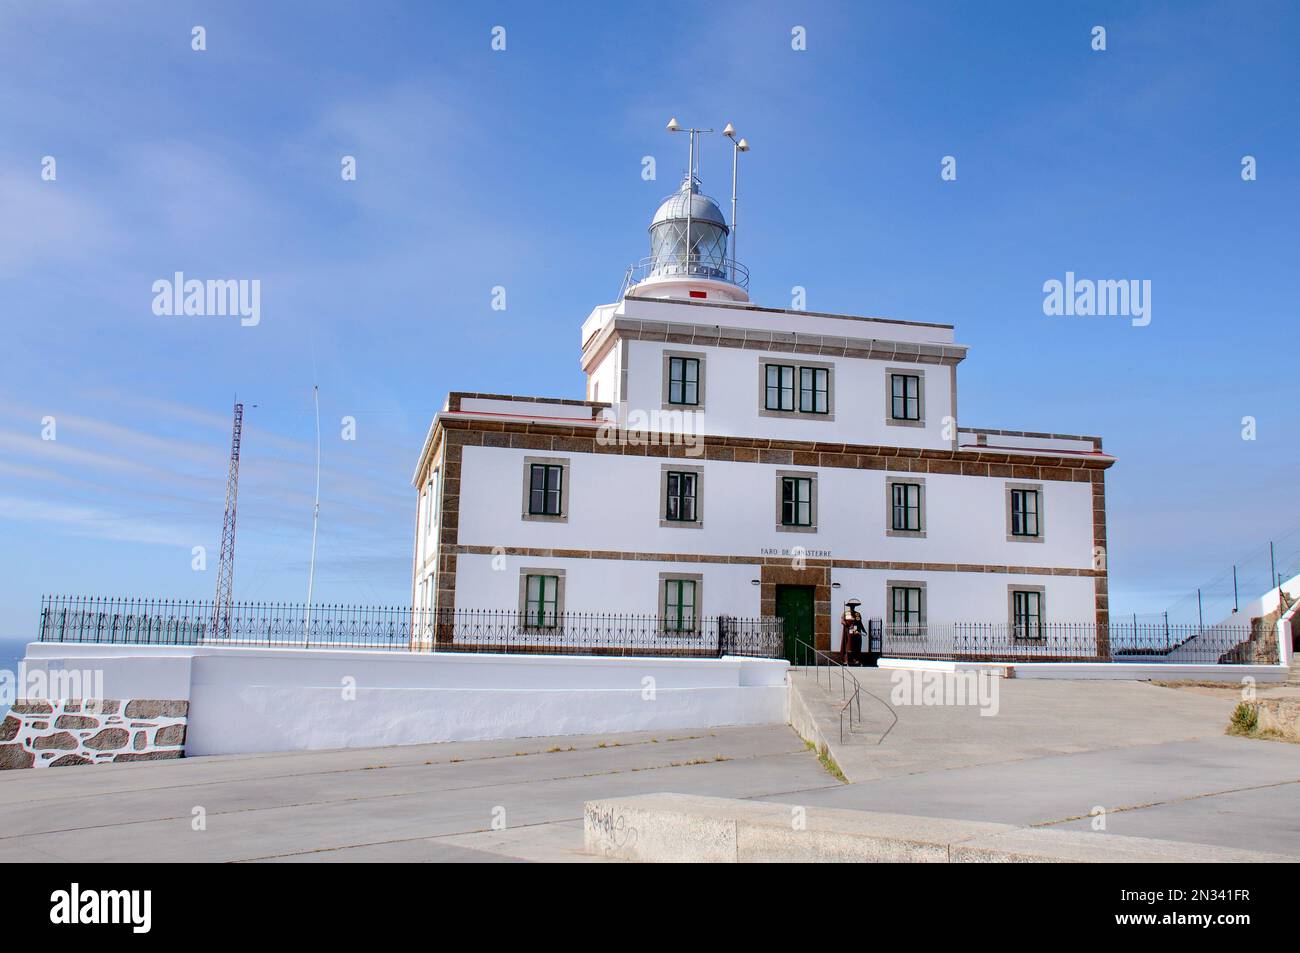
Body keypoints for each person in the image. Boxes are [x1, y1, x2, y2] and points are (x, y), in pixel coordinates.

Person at [840, 599, 866, 664]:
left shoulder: (857, 614)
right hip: (849, 632)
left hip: (856, 632)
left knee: (856, 645)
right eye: (851, 606)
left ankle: (856, 659)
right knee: (849, 645)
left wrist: (864, 630)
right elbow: (842, 621)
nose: (852, 607)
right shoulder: (846, 613)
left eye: (853, 606)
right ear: (849, 606)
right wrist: (847, 625)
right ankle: (847, 659)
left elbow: (860, 623)